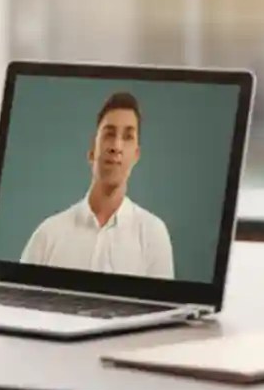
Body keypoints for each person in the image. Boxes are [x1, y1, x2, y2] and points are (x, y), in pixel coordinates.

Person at [20, 92, 174, 278]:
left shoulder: (153, 234)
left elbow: (162, 306)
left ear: (136, 155)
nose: (116, 146)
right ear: (92, 151)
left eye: (127, 137)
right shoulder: (47, 235)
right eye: (109, 134)